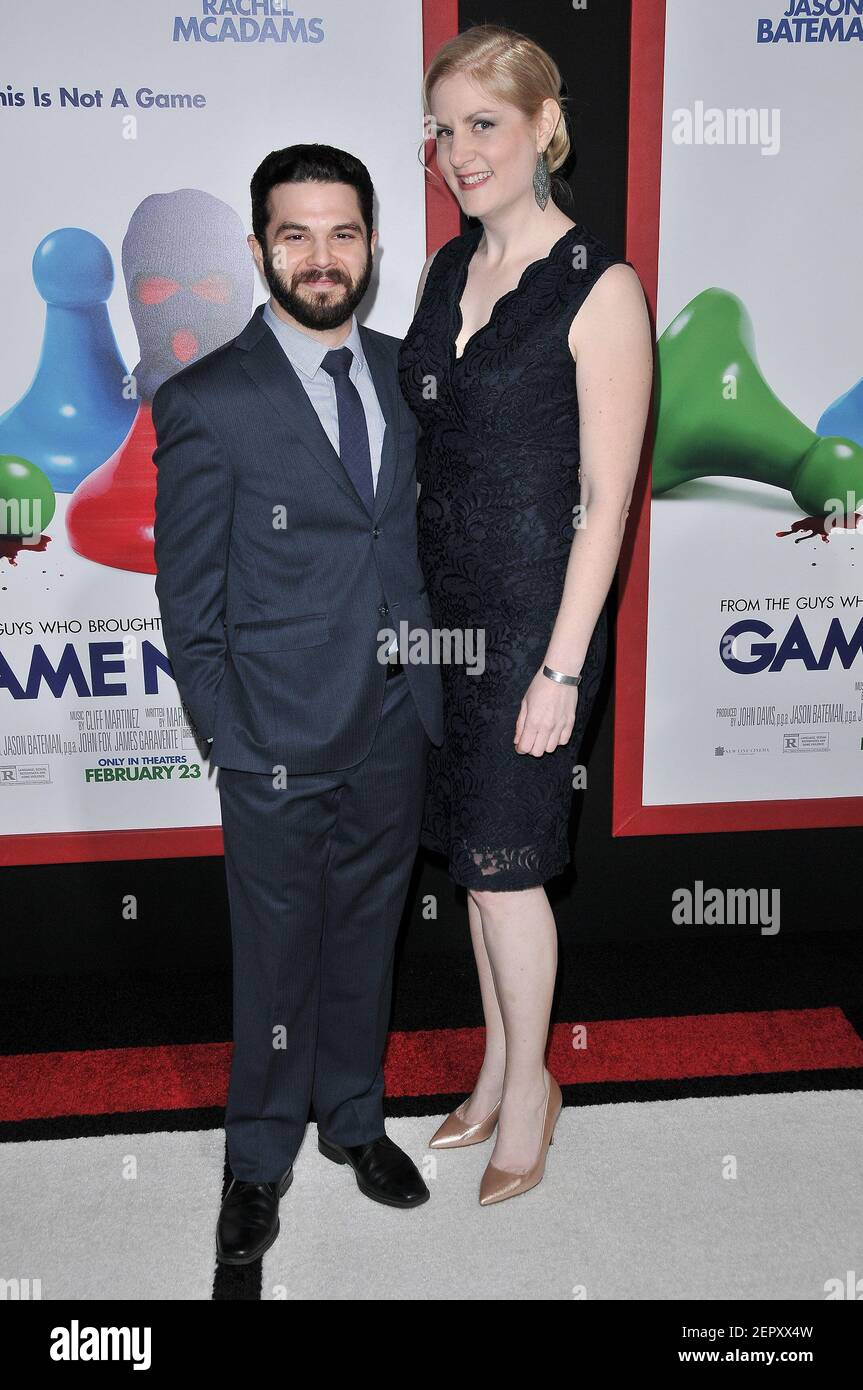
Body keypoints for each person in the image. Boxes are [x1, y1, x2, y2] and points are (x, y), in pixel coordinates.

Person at [153, 145, 443, 1264]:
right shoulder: (208, 400)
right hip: (273, 730)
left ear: (372, 243)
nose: (321, 258)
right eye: (295, 234)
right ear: (259, 247)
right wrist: (229, 734)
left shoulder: (404, 370)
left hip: (392, 721)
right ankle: (259, 1154)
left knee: (368, 932)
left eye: (342, 233)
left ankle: (355, 1120)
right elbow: (191, 597)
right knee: (275, 952)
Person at [398, 25, 653, 1206]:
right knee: (475, 868)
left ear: (544, 126)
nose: (458, 151)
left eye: (482, 124)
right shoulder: (447, 270)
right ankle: (502, 1071)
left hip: (533, 627)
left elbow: (606, 502)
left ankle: (532, 1092)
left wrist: (559, 669)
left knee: (505, 872)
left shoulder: (598, 282)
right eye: (442, 128)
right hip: (441, 619)